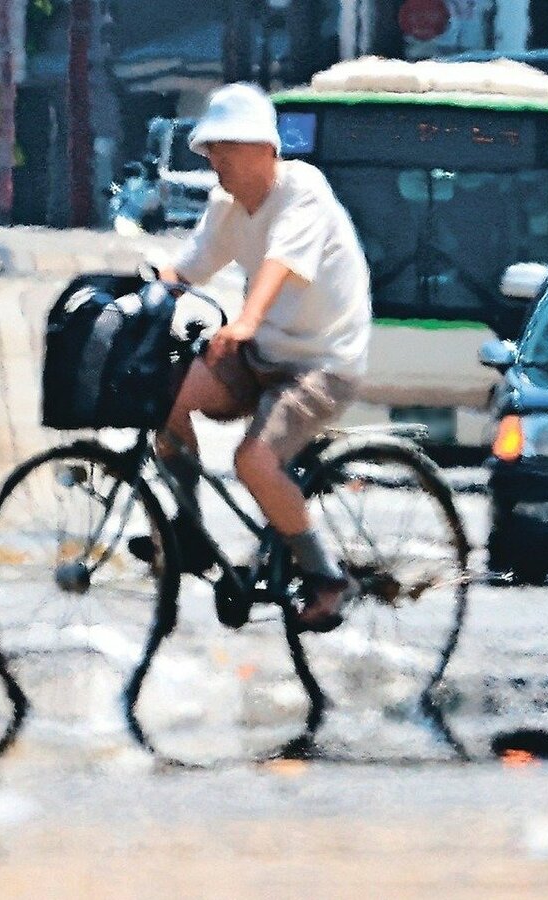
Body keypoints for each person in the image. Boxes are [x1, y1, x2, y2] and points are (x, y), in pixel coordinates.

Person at [131, 83, 372, 633]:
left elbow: (280, 264)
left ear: (266, 149)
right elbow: (188, 269)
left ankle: (327, 577)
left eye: (230, 149)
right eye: (212, 150)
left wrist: (244, 322)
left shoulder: (302, 191)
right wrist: (133, 292)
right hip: (262, 354)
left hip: (322, 364)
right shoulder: (227, 207)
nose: (218, 161)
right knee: (164, 393)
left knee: (254, 461)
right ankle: (189, 532)